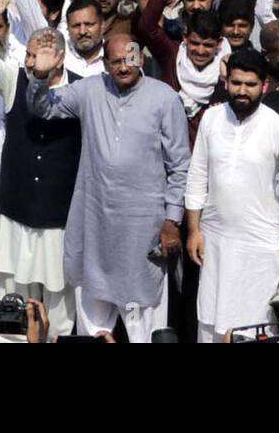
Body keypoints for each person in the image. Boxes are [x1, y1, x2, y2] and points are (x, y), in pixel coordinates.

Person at [26, 32, 190, 342]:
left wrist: (172, 221)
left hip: (143, 229)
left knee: (146, 324)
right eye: (116, 62)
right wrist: (41, 75)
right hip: (96, 225)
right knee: (92, 326)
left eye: (130, 59)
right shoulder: (90, 89)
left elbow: (180, 165)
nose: (124, 67)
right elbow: (43, 108)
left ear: (140, 59)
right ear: (106, 64)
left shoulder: (164, 97)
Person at [185, 50, 279, 341]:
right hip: (214, 241)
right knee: (209, 322)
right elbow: (197, 176)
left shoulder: (278, 128)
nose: (242, 91)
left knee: (253, 330)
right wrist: (193, 229)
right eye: (236, 83)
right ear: (227, 82)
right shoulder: (211, 119)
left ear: (265, 86)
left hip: (260, 249)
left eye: (250, 84)